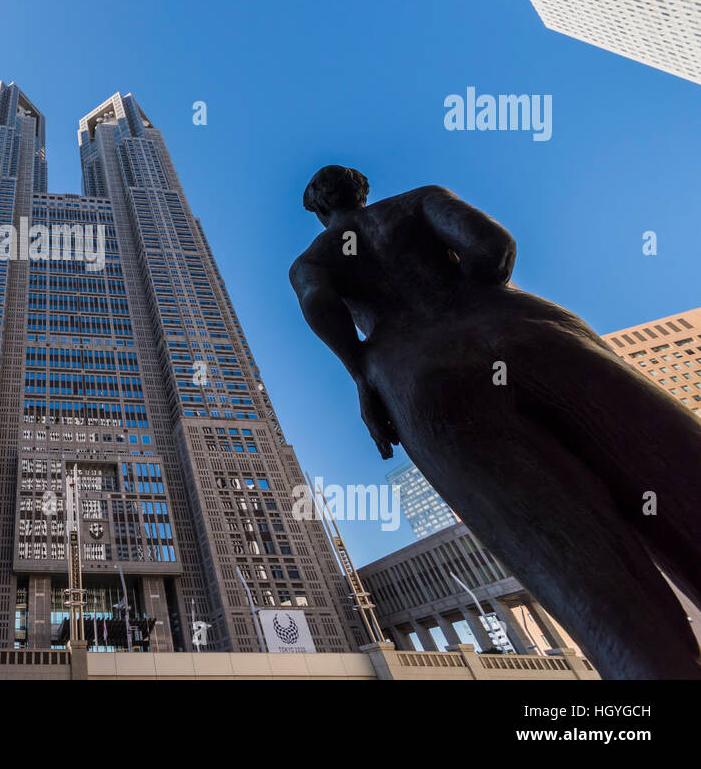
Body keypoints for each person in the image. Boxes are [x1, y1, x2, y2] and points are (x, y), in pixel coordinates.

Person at [289, 166, 701, 679]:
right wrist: (461, 288)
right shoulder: (422, 201)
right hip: (528, 333)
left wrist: (360, 377)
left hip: (420, 376)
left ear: (320, 211)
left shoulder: (312, 259)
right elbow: (492, 247)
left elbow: (318, 303)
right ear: (362, 191)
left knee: (583, 577)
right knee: (679, 478)